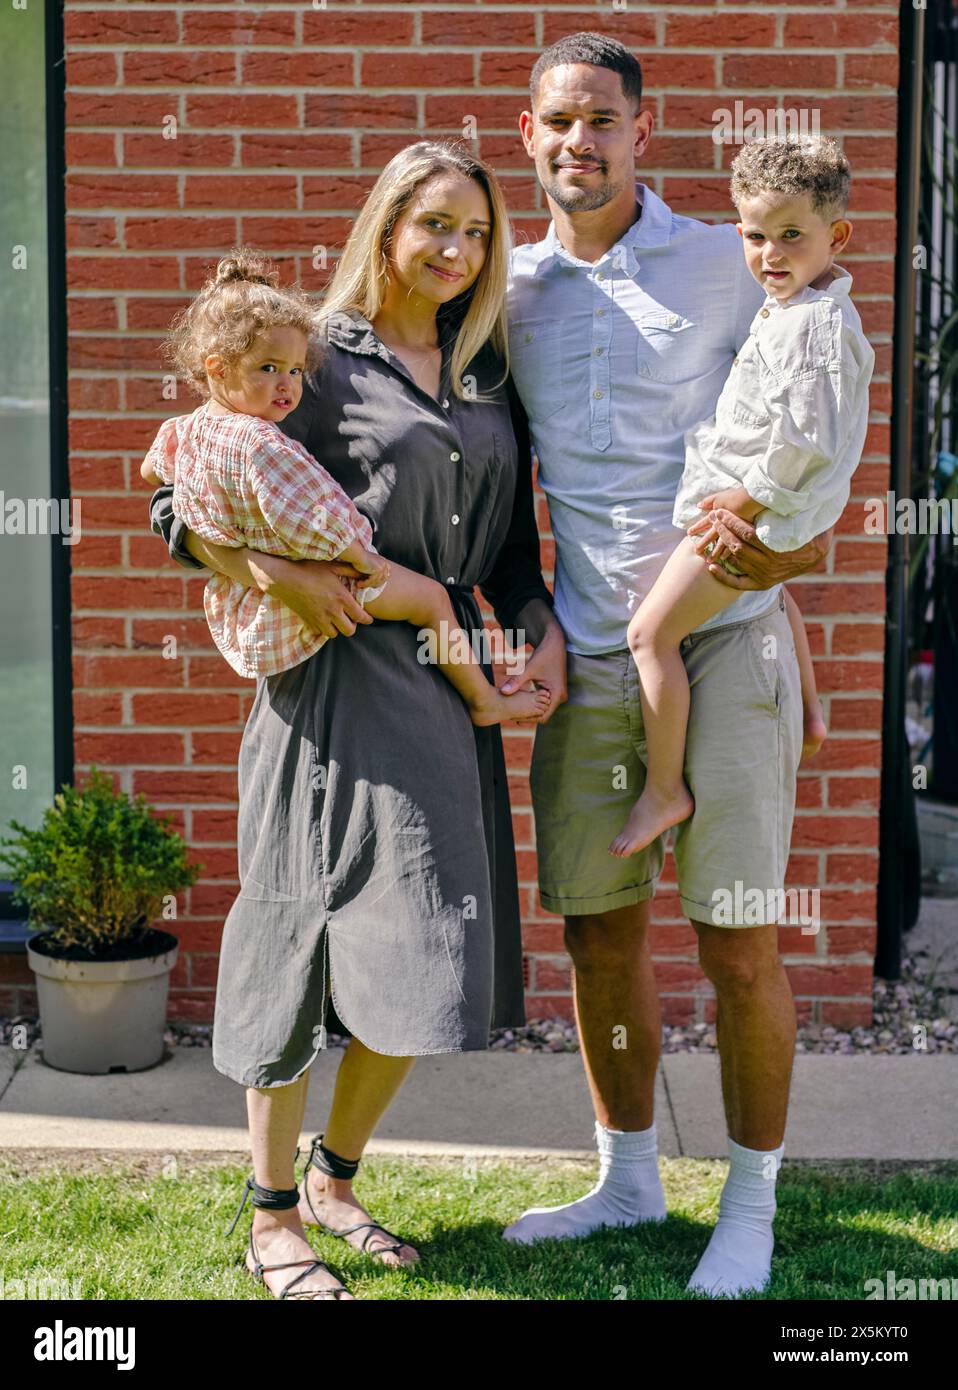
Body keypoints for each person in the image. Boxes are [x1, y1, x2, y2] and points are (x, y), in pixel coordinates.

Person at [147, 142, 566, 1300]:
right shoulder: (313, 355)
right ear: (386, 227)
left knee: (428, 940)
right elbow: (175, 489)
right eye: (435, 224)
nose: (456, 251)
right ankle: (271, 1214)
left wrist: (534, 623)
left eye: (477, 233)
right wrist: (264, 573)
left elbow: (511, 543)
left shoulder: (484, 372)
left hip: (441, 684)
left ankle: (338, 1176)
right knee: (299, 939)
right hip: (328, 684)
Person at [499, 31, 850, 1298]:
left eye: (600, 119)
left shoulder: (729, 256)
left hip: (725, 643)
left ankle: (748, 1208)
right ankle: (627, 1175)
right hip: (592, 659)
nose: (576, 142)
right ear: (527, 133)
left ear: (642, 131)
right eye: (556, 121)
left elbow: (819, 420)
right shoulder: (510, 290)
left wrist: (791, 569)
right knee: (598, 935)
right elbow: (472, 472)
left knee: (740, 941)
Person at [140, 249, 549, 727]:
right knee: (432, 601)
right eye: (268, 368)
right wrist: (362, 557)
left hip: (265, 591)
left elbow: (156, 473)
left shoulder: (187, 428)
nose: (286, 386)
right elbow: (318, 517)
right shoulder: (264, 443)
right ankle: (484, 700)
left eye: (294, 370)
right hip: (335, 576)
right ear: (217, 368)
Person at [608, 135, 875, 857]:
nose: (771, 253)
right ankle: (812, 716)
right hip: (766, 518)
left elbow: (808, 440)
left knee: (650, 635)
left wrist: (745, 502)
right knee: (771, 600)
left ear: (836, 236)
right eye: (756, 236)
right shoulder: (794, 312)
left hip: (758, 519)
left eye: (793, 235)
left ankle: (665, 791)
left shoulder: (815, 325)